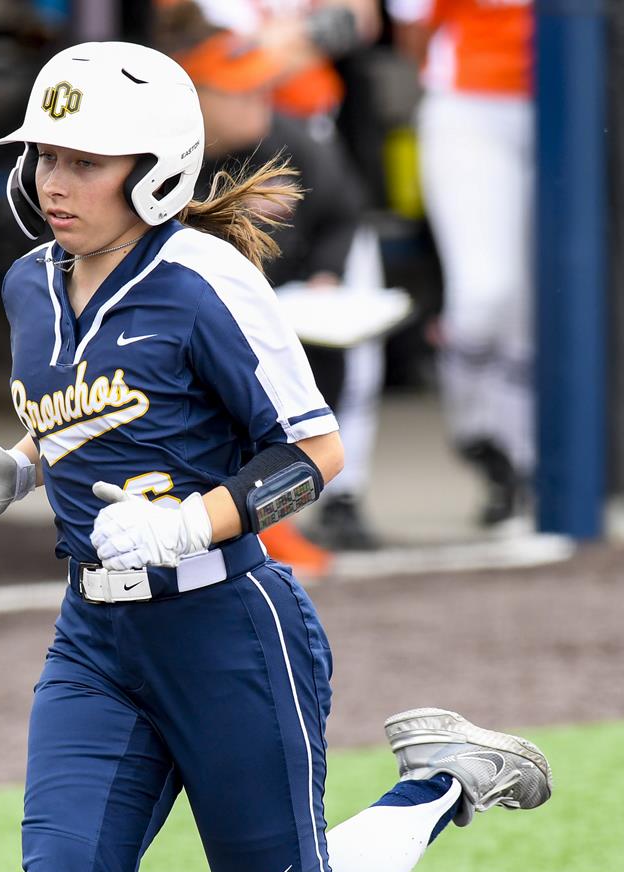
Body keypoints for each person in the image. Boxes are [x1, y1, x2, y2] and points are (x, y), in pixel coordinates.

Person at [0, 42, 552, 872]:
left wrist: (188, 524)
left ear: (154, 170)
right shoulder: (27, 284)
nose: (54, 181)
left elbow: (315, 453)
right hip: (95, 638)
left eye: (85, 161)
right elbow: (103, 412)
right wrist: (20, 468)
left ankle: (441, 782)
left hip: (225, 627)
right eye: (44, 154)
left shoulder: (204, 280)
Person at [163, 5, 388, 551]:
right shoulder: (165, 160)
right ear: (197, 98)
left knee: (329, 362)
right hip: (189, 326)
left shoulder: (295, 143)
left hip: (282, 305)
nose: (258, 101)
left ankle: (290, 507)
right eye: (241, 92)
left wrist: (327, 276)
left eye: (263, 89)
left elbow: (343, 210)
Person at [391, 0, 535, 528]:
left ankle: (520, 467)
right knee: (484, 294)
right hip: (470, 108)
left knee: (534, 309)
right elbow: (413, 34)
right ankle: (477, 432)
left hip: (564, 105)